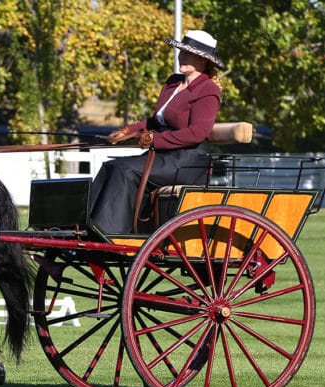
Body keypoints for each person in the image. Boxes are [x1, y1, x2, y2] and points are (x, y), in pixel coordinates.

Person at [89, 29, 225, 235]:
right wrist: (129, 130)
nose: (182, 56)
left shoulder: (208, 90)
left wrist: (155, 139)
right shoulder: (173, 83)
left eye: (189, 54)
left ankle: (109, 232)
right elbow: (156, 120)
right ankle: (88, 226)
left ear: (204, 61)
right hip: (163, 156)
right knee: (111, 166)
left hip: (187, 161)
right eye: (182, 52)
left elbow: (197, 133)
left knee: (125, 170)